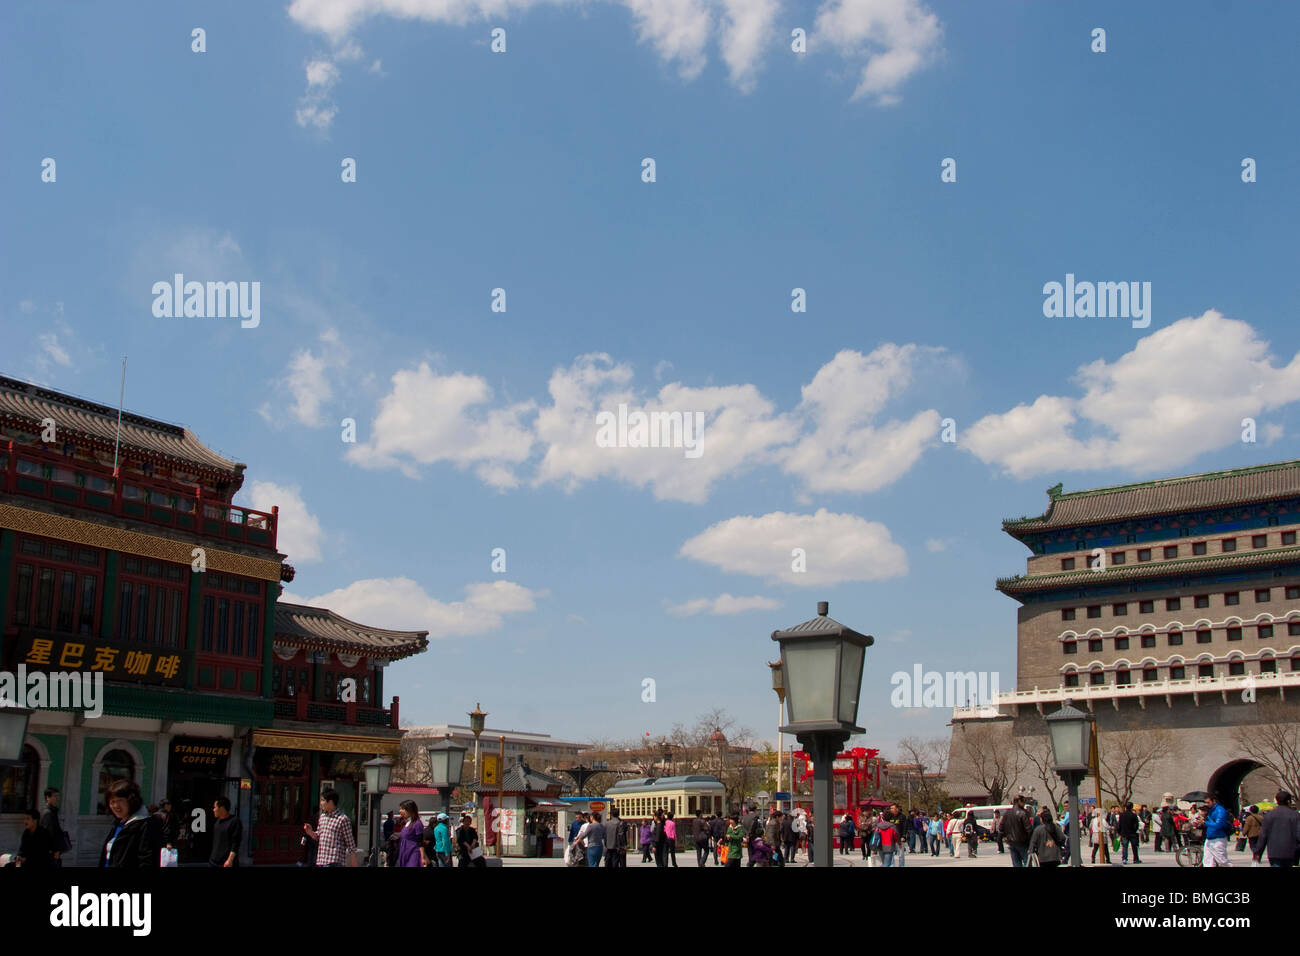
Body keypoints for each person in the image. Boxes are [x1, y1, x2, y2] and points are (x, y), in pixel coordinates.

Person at [100, 779, 164, 868]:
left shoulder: (146, 824)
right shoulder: (118, 824)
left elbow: (147, 860)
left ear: (131, 800)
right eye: (112, 801)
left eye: (120, 800)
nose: (115, 806)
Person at [302, 788, 356, 867]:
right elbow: (318, 836)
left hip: (334, 861)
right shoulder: (322, 817)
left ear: (330, 802)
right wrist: (310, 832)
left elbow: (350, 842)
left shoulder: (342, 819)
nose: (320, 803)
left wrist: (353, 860)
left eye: (322, 800)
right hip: (321, 861)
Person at [1255, 790, 1300, 867]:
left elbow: (1263, 836)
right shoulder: (1295, 815)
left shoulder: (1269, 816)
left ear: (1277, 801)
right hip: (1291, 852)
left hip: (1274, 852)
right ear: (1288, 801)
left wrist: (1258, 853)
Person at [999, 796, 1033, 867]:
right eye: (1023, 801)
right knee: (1027, 862)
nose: (1024, 803)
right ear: (1019, 802)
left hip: (1011, 842)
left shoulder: (1006, 814)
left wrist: (1005, 836)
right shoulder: (1023, 813)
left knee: (1016, 863)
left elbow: (1001, 828)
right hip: (1023, 842)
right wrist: (1031, 841)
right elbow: (1029, 829)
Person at [40, 787, 69, 867]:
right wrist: (55, 850)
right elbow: (49, 834)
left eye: (58, 796)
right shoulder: (48, 813)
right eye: (55, 796)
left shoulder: (52, 811)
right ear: (47, 798)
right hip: (50, 852)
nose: (57, 799)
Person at [1201, 794, 1232, 867]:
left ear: (1214, 801)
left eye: (1208, 802)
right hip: (1209, 839)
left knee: (1223, 862)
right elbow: (1210, 823)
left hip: (1218, 839)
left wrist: (1205, 822)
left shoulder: (1220, 810)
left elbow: (1218, 825)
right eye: (1205, 802)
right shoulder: (1211, 811)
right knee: (1207, 862)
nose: (1206, 804)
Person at [210, 796, 241, 867]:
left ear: (221, 809)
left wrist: (229, 860)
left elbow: (235, 843)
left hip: (226, 863)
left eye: (215, 807)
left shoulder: (234, 821)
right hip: (213, 861)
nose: (213, 810)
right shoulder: (217, 822)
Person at [393, 801, 423, 867]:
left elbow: (420, 842)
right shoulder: (407, 822)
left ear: (409, 810)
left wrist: (423, 857)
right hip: (404, 853)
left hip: (413, 854)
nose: (400, 811)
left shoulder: (417, 823)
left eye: (402, 809)